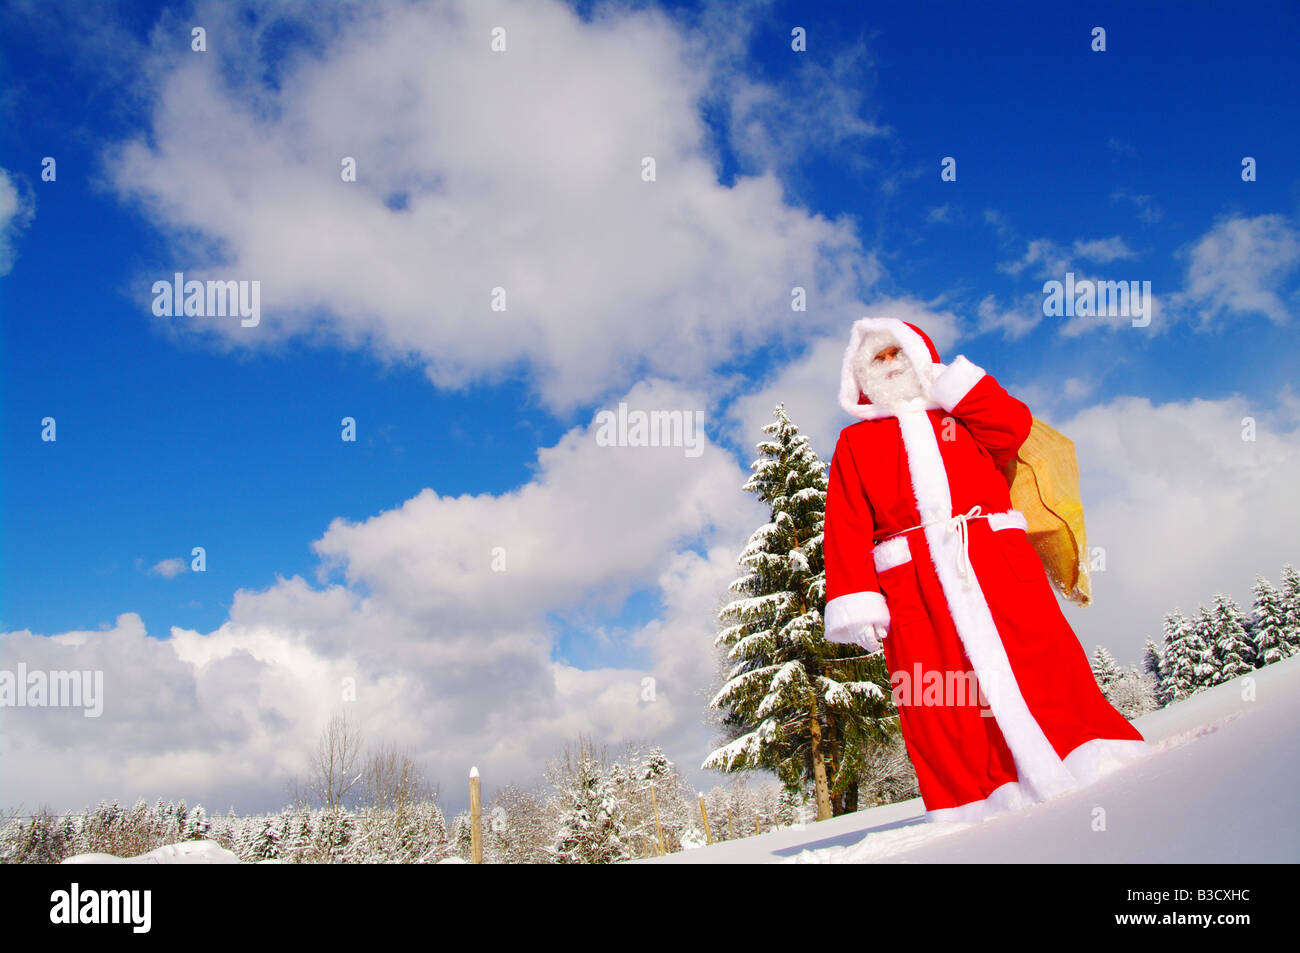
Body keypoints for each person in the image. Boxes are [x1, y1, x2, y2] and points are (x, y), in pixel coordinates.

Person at [823, 316, 1150, 823]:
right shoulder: (855, 443)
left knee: (1043, 654)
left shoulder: (962, 414)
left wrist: (953, 386)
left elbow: (1014, 429)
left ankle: (1088, 752)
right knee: (939, 690)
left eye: (897, 354)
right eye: (877, 359)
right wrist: (859, 598)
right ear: (860, 376)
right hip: (913, 581)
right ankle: (979, 796)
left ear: (918, 355)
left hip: (994, 558)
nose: (889, 366)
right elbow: (845, 522)